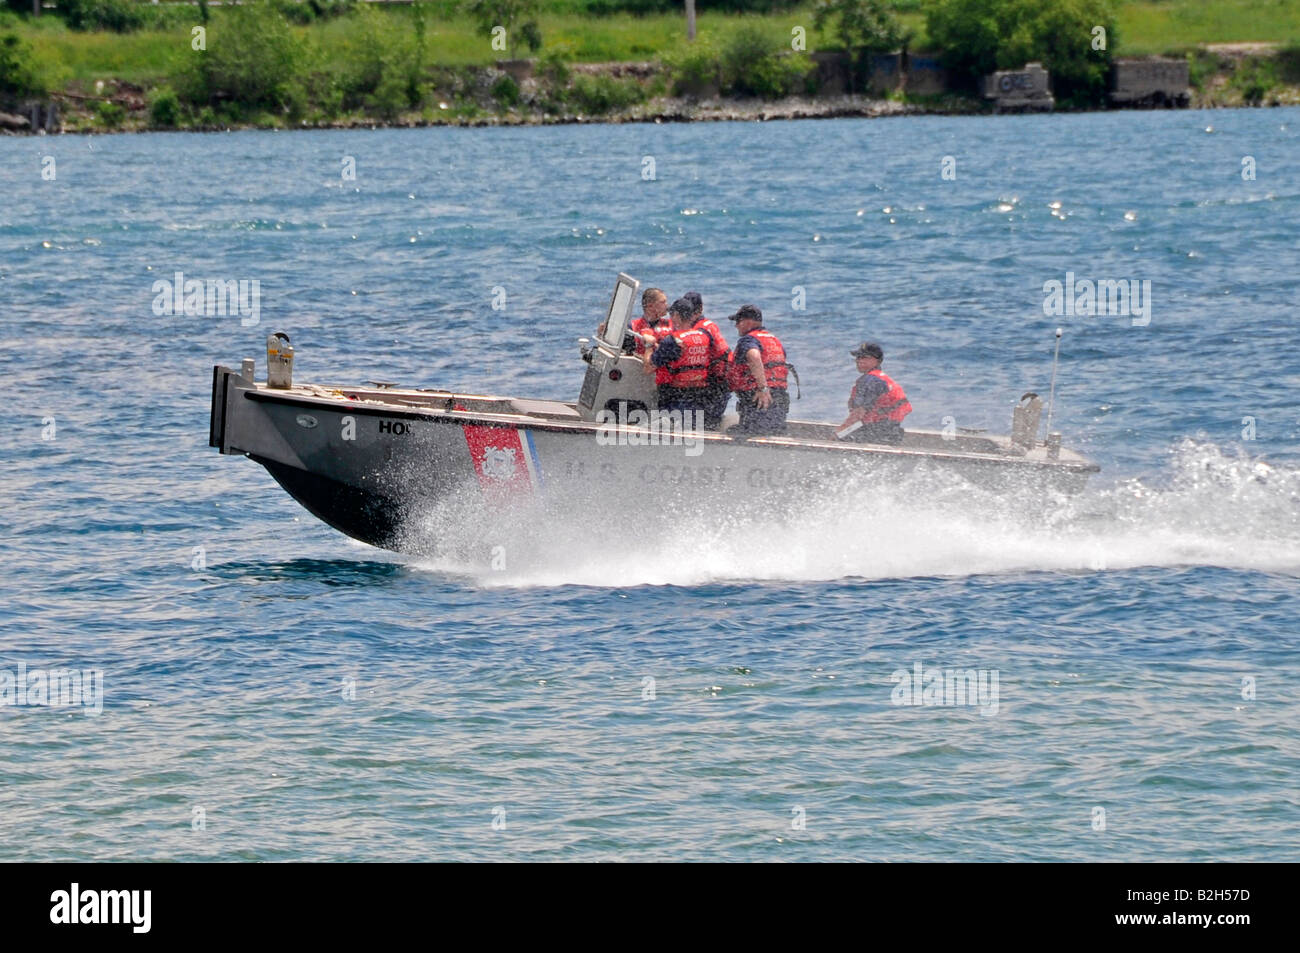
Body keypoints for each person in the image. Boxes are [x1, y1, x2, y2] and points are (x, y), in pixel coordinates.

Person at [724, 305, 790, 436]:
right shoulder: (773, 340)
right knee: (772, 433)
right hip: (779, 400)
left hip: (759, 401)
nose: (736, 326)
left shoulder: (749, 340)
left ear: (748, 322)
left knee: (738, 434)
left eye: (738, 322)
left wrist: (763, 388)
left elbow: (753, 355)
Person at [838, 342, 912, 445]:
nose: (859, 360)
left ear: (877, 361)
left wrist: (837, 435)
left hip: (876, 433)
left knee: (839, 436)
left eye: (865, 357)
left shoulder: (870, 380)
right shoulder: (881, 379)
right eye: (858, 357)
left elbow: (858, 414)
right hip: (891, 432)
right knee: (843, 432)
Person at [649, 298, 712, 418]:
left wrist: (648, 344)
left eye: (671, 314)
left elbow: (649, 367)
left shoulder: (673, 340)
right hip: (698, 396)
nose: (671, 318)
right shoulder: (703, 336)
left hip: (676, 397)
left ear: (677, 315)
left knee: (673, 431)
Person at [683, 291, 731, 430]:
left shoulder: (700, 331)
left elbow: (692, 360)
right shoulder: (708, 325)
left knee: (700, 425)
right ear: (701, 307)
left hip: (714, 387)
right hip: (722, 384)